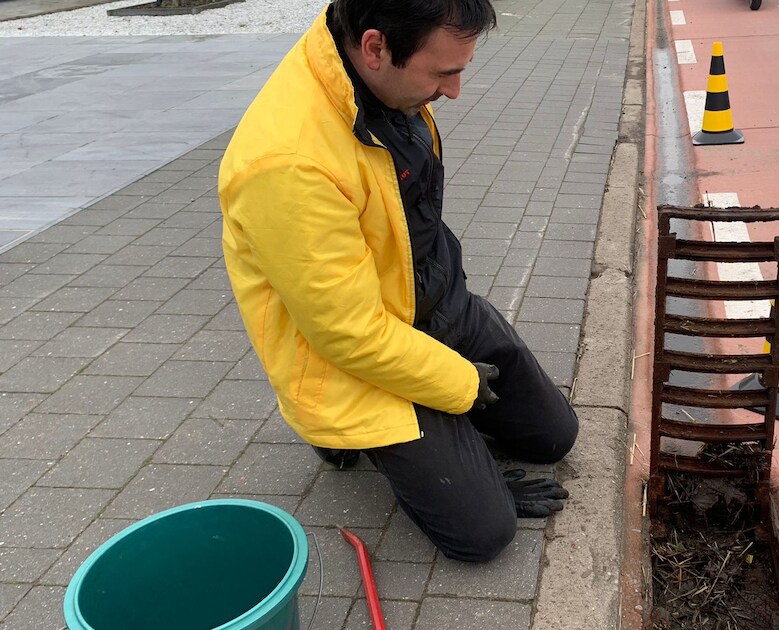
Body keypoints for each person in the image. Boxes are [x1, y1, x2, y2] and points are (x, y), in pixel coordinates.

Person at [218, 0, 578, 563]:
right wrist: (458, 385)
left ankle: (443, 436)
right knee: (484, 533)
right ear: (375, 47)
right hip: (357, 356)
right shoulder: (286, 164)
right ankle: (341, 433)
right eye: (442, 74)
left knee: (553, 438)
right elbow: (349, 335)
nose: (455, 92)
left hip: (436, 306)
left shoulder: (377, 83)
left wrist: (457, 333)